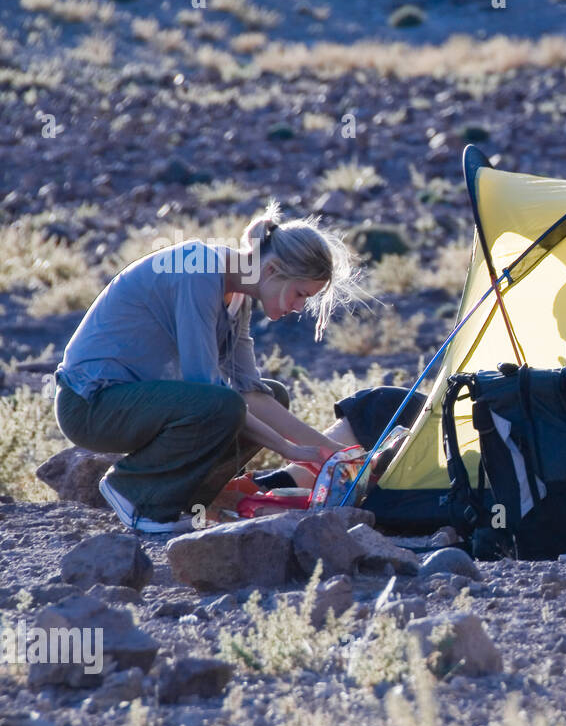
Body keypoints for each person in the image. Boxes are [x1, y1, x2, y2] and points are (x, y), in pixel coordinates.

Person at [55, 200, 363, 532]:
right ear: (272, 270)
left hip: (132, 404)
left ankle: (187, 500)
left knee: (271, 395)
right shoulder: (198, 270)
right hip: (90, 404)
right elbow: (205, 388)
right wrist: (289, 449)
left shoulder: (238, 298)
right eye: (300, 294)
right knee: (222, 405)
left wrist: (333, 453)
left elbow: (252, 394)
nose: (299, 307)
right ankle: (136, 493)